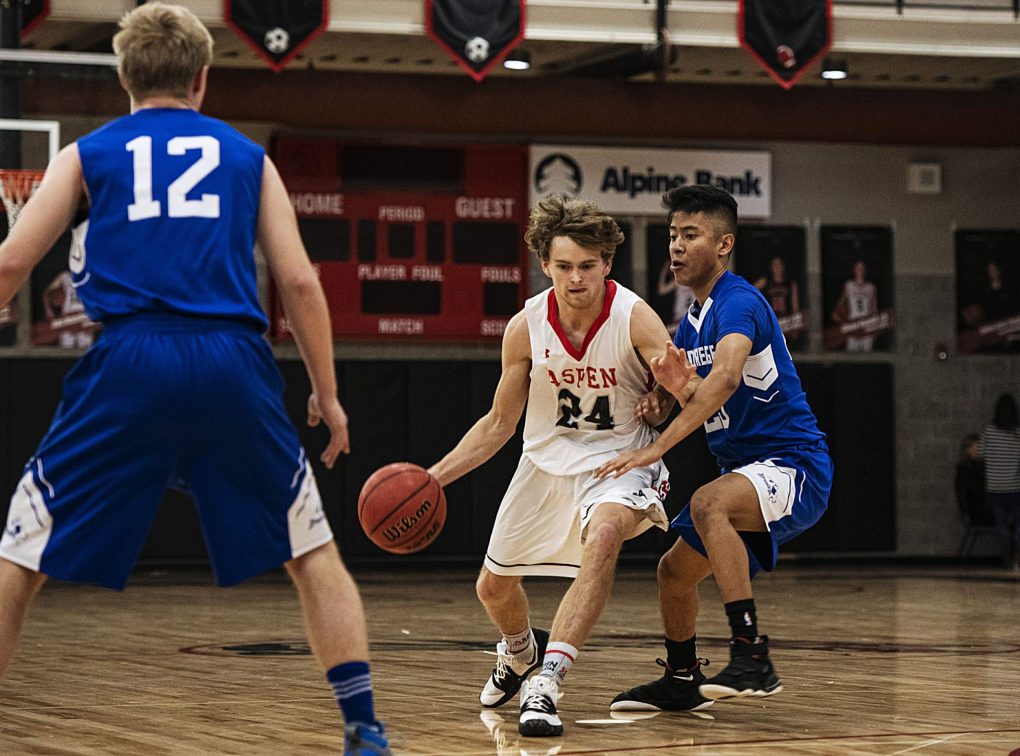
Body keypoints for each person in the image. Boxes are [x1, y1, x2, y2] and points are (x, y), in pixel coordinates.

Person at [0, 5, 390, 755]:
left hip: (129, 361)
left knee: (21, 555)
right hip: (229, 361)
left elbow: (14, 263)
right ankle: (363, 727)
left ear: (123, 75)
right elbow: (300, 283)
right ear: (203, 79)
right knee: (311, 552)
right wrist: (328, 395)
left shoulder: (87, 152)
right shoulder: (248, 158)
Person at [427, 195, 674, 737]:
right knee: (492, 589)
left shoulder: (635, 316)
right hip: (545, 461)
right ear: (545, 265)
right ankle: (520, 652)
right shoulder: (526, 327)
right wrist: (432, 479)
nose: (576, 278)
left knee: (605, 534)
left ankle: (547, 682)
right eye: (564, 266)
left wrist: (665, 400)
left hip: (619, 459)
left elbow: (680, 392)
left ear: (607, 264)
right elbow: (498, 424)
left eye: (588, 266)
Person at [596, 184, 832, 713]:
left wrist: (654, 449)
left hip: (793, 465)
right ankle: (681, 677)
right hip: (747, 470)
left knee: (707, 503)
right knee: (673, 574)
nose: (675, 247)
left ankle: (752, 655)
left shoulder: (740, 302)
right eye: (671, 235)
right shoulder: (693, 319)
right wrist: (666, 401)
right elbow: (697, 395)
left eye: (690, 235)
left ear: (724, 244)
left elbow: (724, 381)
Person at [980, 394, 1020, 571]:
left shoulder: (989, 431)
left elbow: (980, 454)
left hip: (996, 486)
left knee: (1002, 524)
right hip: (1017, 486)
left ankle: (1006, 558)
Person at [831, 259, 877, 352]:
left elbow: (874, 308)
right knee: (852, 352)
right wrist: (837, 314)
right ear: (854, 270)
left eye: (862, 268)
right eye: (858, 268)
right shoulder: (849, 285)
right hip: (853, 324)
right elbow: (841, 302)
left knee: (868, 354)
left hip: (866, 324)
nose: (860, 270)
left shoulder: (871, 287)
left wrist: (875, 327)